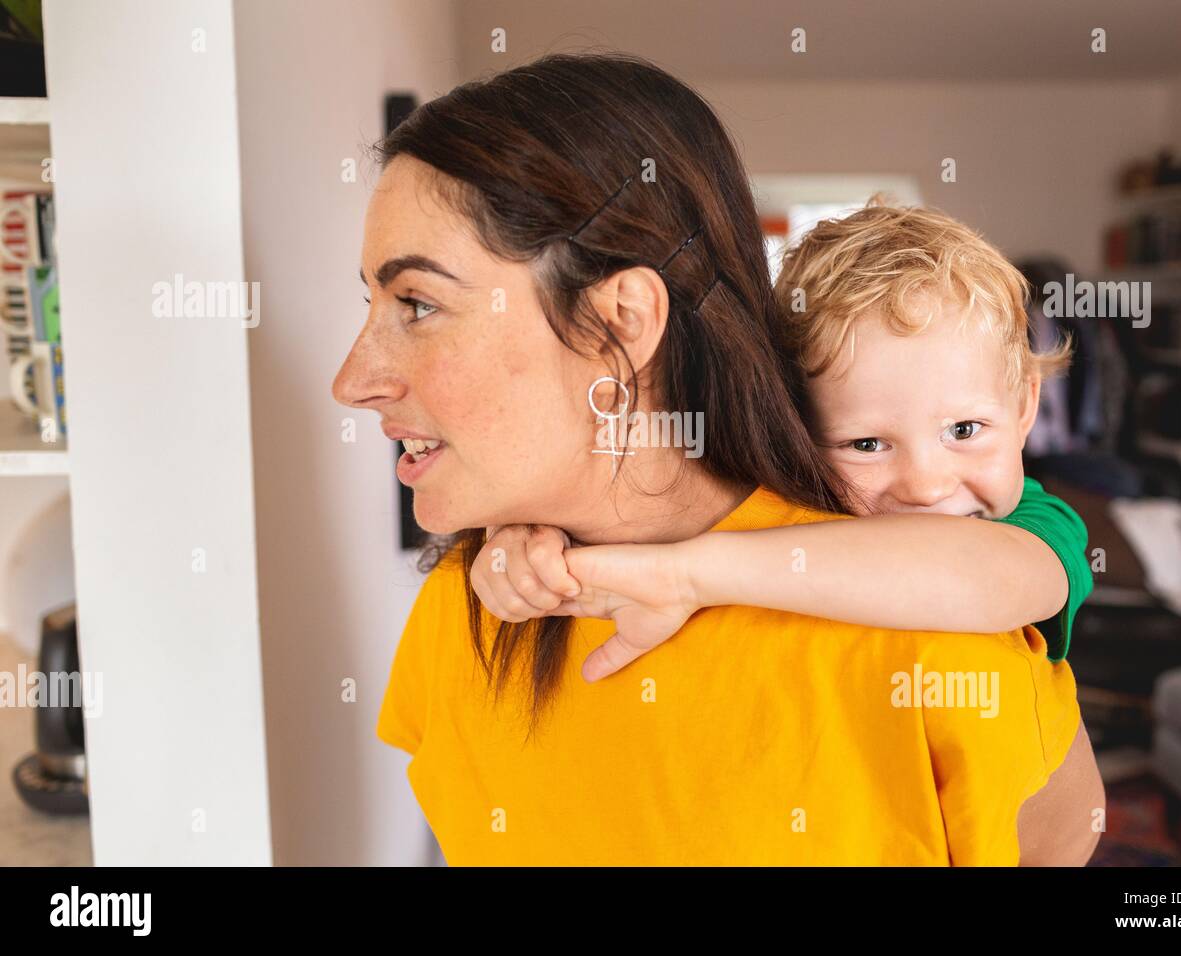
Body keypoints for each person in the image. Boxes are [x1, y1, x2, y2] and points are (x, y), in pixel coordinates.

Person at [334, 53, 1100, 865]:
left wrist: (688, 574)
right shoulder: (471, 605)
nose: (353, 382)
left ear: (622, 321)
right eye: (871, 444)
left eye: (417, 303)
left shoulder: (936, 635)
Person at [474, 203, 1095, 685]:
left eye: (964, 430)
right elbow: (641, 490)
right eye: (867, 443)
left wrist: (686, 576)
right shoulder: (784, 494)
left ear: (1024, 410)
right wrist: (532, 543)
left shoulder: (1038, 525)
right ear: (796, 430)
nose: (927, 484)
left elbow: (974, 572)